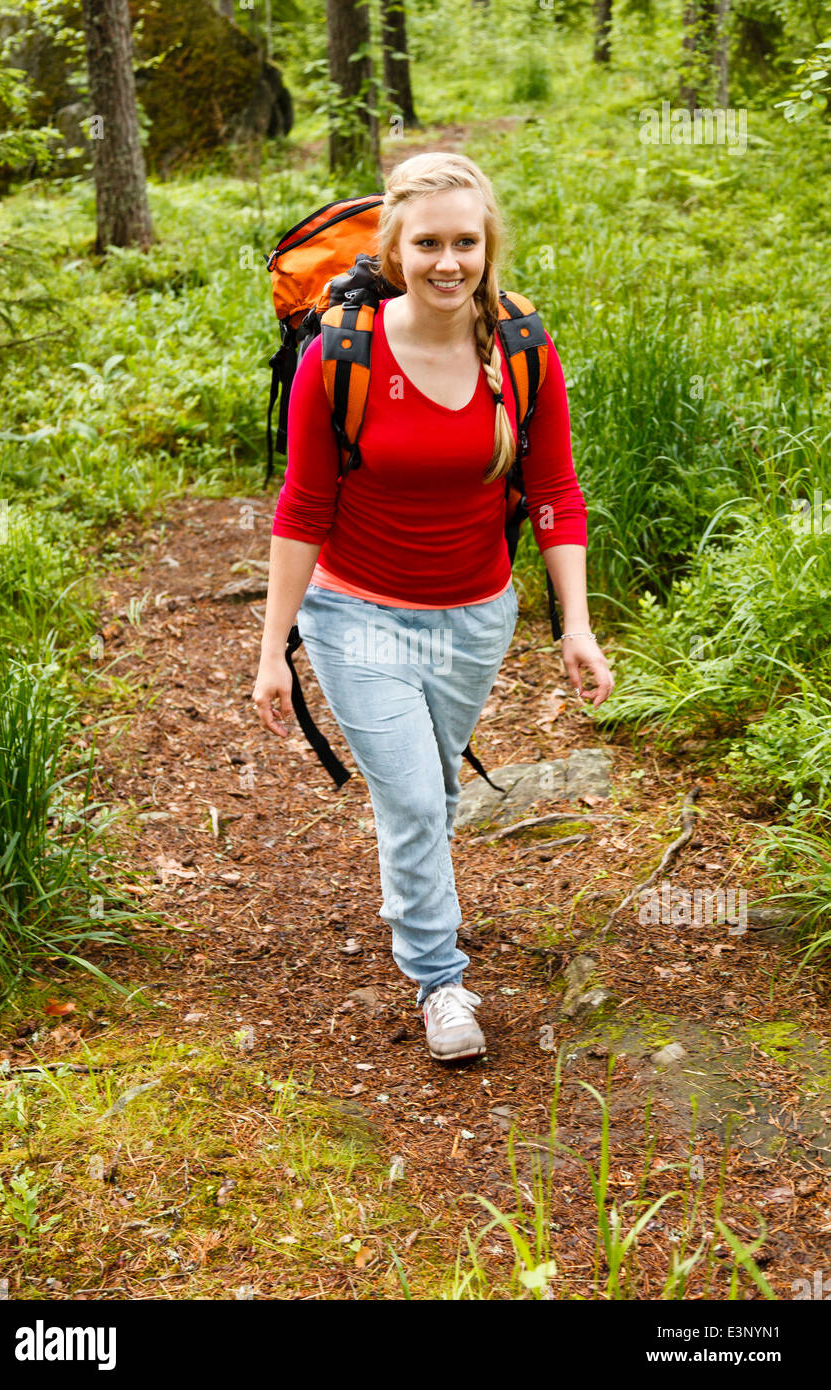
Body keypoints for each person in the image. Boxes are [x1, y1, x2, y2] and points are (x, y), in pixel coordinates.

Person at [253, 151, 614, 1063]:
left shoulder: (523, 350)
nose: (448, 262)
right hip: (356, 615)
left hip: (476, 615)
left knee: (436, 792)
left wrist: (575, 623)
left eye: (465, 242)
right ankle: (439, 980)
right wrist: (271, 650)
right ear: (395, 249)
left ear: (489, 246)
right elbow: (302, 505)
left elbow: (555, 491)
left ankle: (414, 901)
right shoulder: (343, 356)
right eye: (427, 244)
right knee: (414, 798)